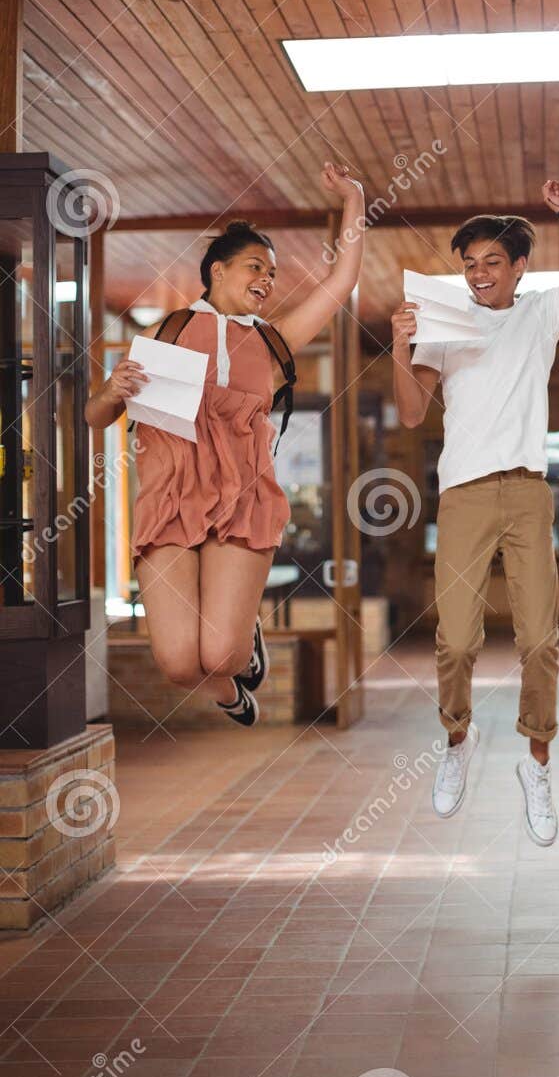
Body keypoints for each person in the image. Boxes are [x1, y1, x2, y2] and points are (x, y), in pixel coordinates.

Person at [85, 164, 365, 727]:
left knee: (220, 653)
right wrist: (112, 390)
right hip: (169, 501)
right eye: (255, 266)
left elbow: (341, 282)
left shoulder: (274, 342)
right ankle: (228, 692)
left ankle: (240, 644)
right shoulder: (165, 332)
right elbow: (96, 416)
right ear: (217, 270)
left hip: (243, 501)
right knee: (177, 662)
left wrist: (354, 199)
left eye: (273, 273)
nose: (267, 279)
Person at [391, 180, 559, 845]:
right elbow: (411, 413)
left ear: (519, 267)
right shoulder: (442, 324)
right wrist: (399, 346)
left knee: (539, 640)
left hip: (527, 492)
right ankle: (456, 741)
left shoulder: (541, 312)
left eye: (492, 261)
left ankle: (536, 763)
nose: (479, 273)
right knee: (457, 640)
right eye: (469, 263)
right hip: (463, 493)